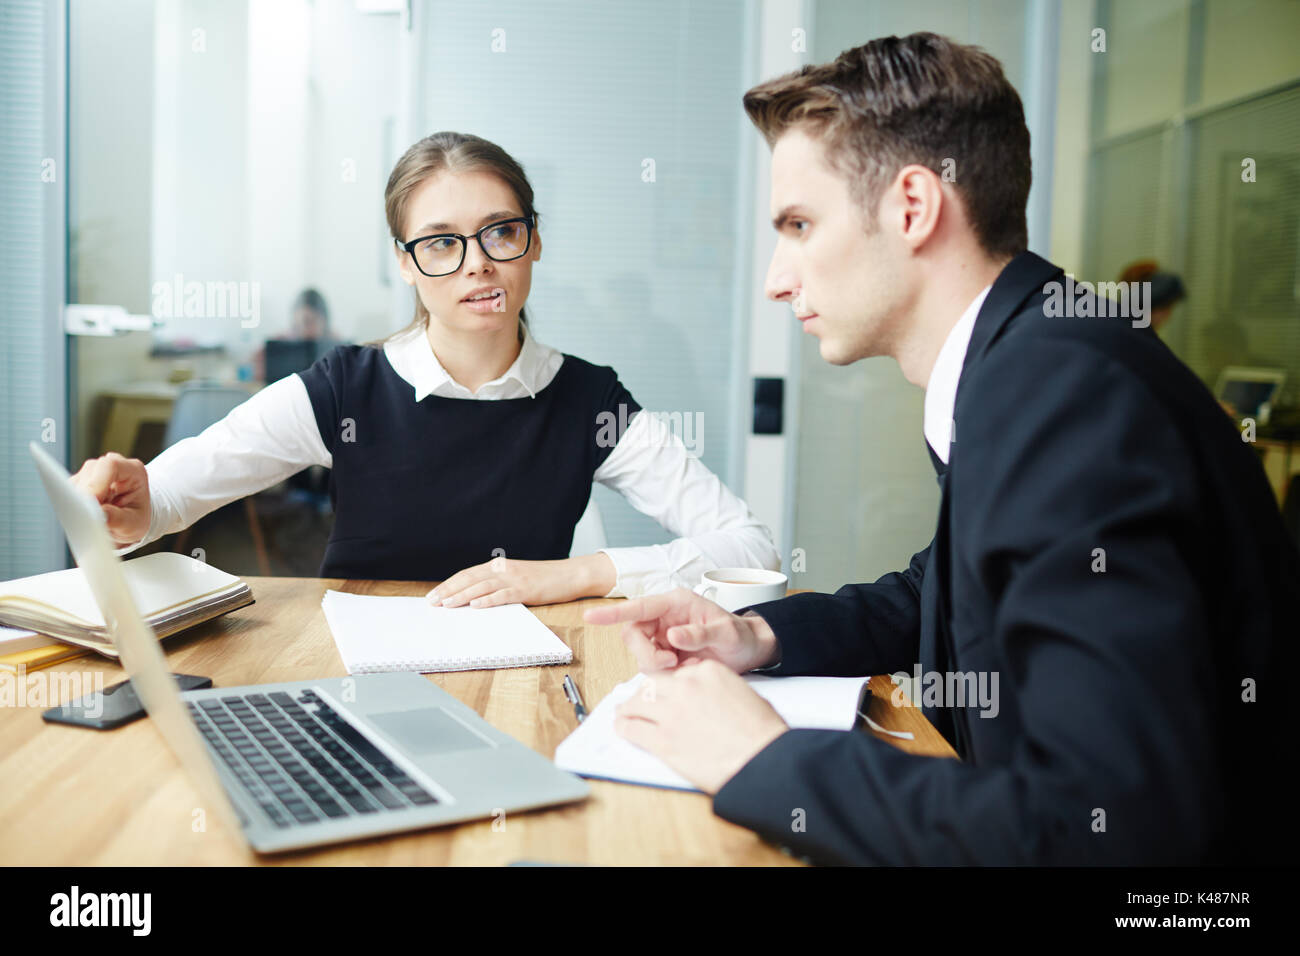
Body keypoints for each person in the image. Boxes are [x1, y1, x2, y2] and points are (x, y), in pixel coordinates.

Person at [585, 33, 1296, 865]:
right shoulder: (1031, 355)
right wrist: (756, 636)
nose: (777, 278)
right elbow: (947, 586)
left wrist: (761, 760)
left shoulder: (1062, 395)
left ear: (914, 208)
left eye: (800, 225)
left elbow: (1113, 824)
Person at [72, 132, 779, 605]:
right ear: (407, 264)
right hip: (352, 677)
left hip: (522, 683)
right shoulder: (348, 388)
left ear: (534, 244)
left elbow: (750, 550)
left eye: (502, 232)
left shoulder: (588, 399)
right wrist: (137, 505)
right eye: (442, 242)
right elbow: (171, 498)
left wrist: (568, 577)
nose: (478, 262)